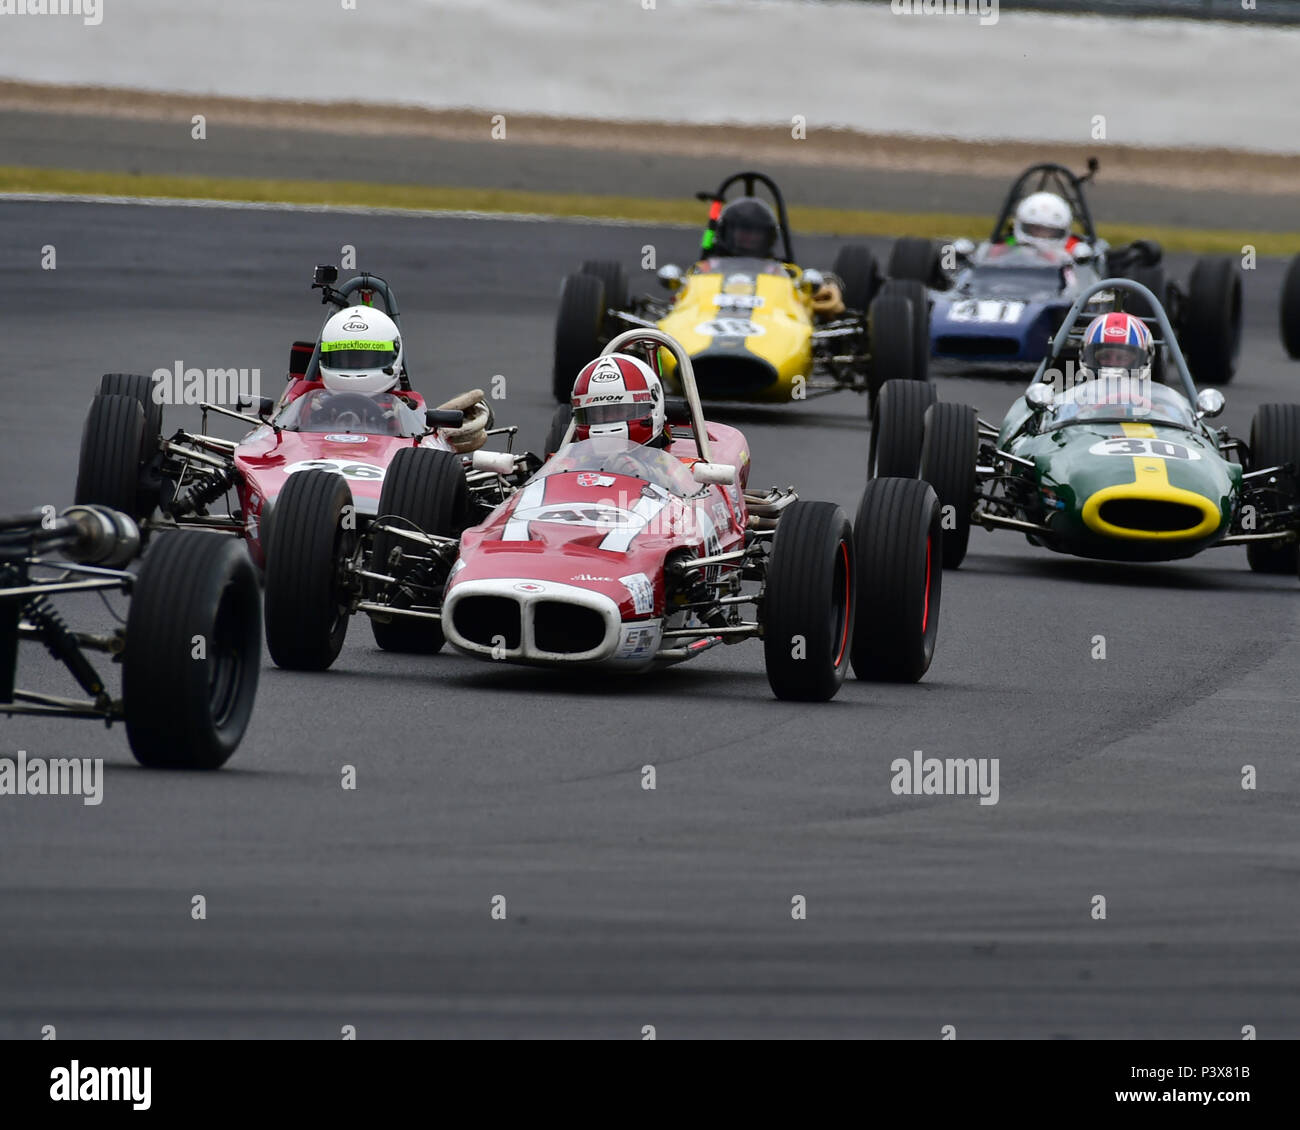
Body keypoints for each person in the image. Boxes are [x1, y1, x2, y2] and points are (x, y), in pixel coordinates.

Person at [1009, 191, 1089, 259]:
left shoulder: (1073, 248)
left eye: (1049, 232)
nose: (1041, 236)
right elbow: (1001, 249)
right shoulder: (1011, 242)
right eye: (1036, 229)